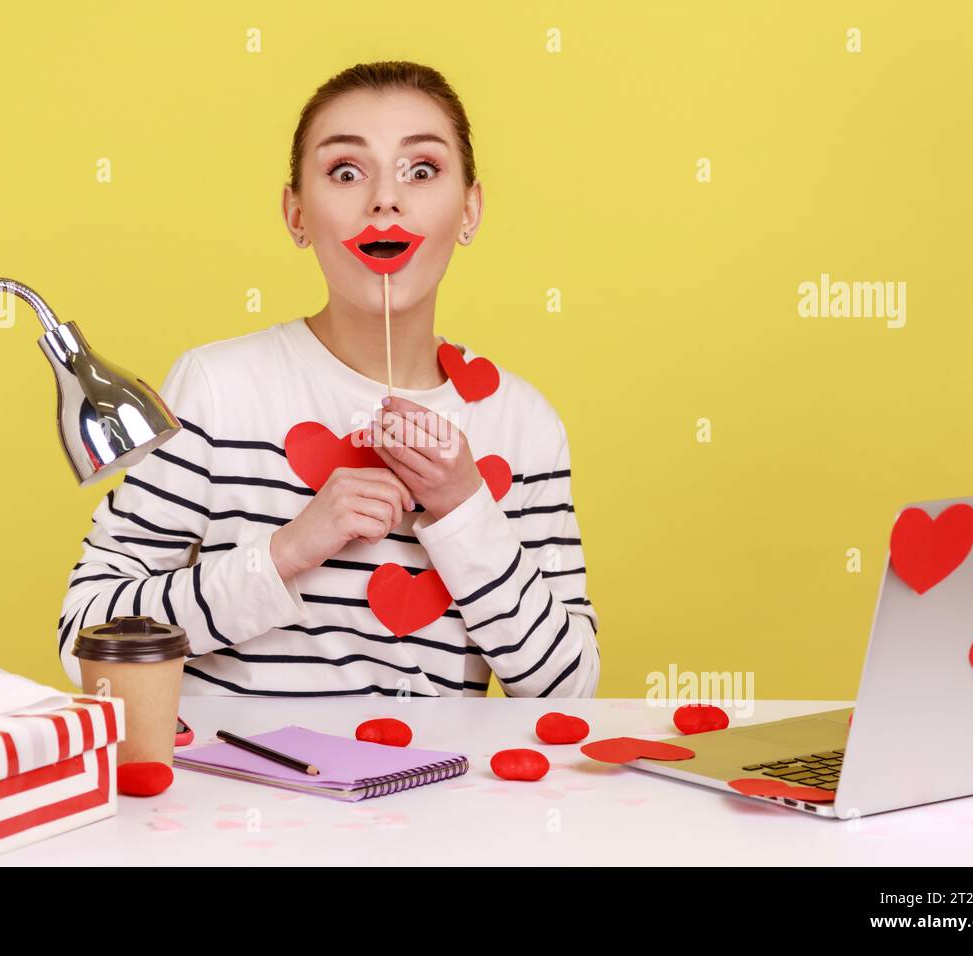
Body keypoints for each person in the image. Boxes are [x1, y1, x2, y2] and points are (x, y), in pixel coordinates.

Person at [57, 61, 599, 697]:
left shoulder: (522, 420)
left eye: (421, 170)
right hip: (233, 788)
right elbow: (83, 639)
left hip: (437, 792)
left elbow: (568, 692)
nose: (384, 199)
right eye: (346, 171)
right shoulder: (215, 388)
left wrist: (462, 506)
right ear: (296, 215)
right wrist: (288, 550)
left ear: (470, 209)